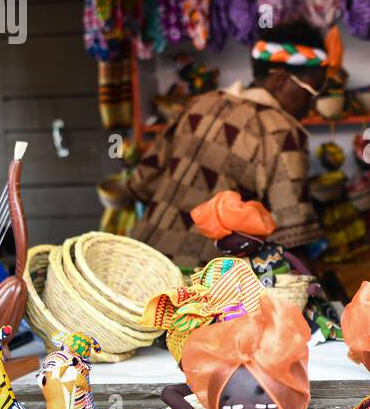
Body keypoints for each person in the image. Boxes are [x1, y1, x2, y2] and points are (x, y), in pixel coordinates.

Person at [126, 20, 328, 269]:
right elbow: (293, 232)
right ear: (281, 79)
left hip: (137, 257)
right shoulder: (280, 131)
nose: (312, 104)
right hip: (198, 278)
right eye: (312, 91)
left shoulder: (200, 104)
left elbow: (142, 181)